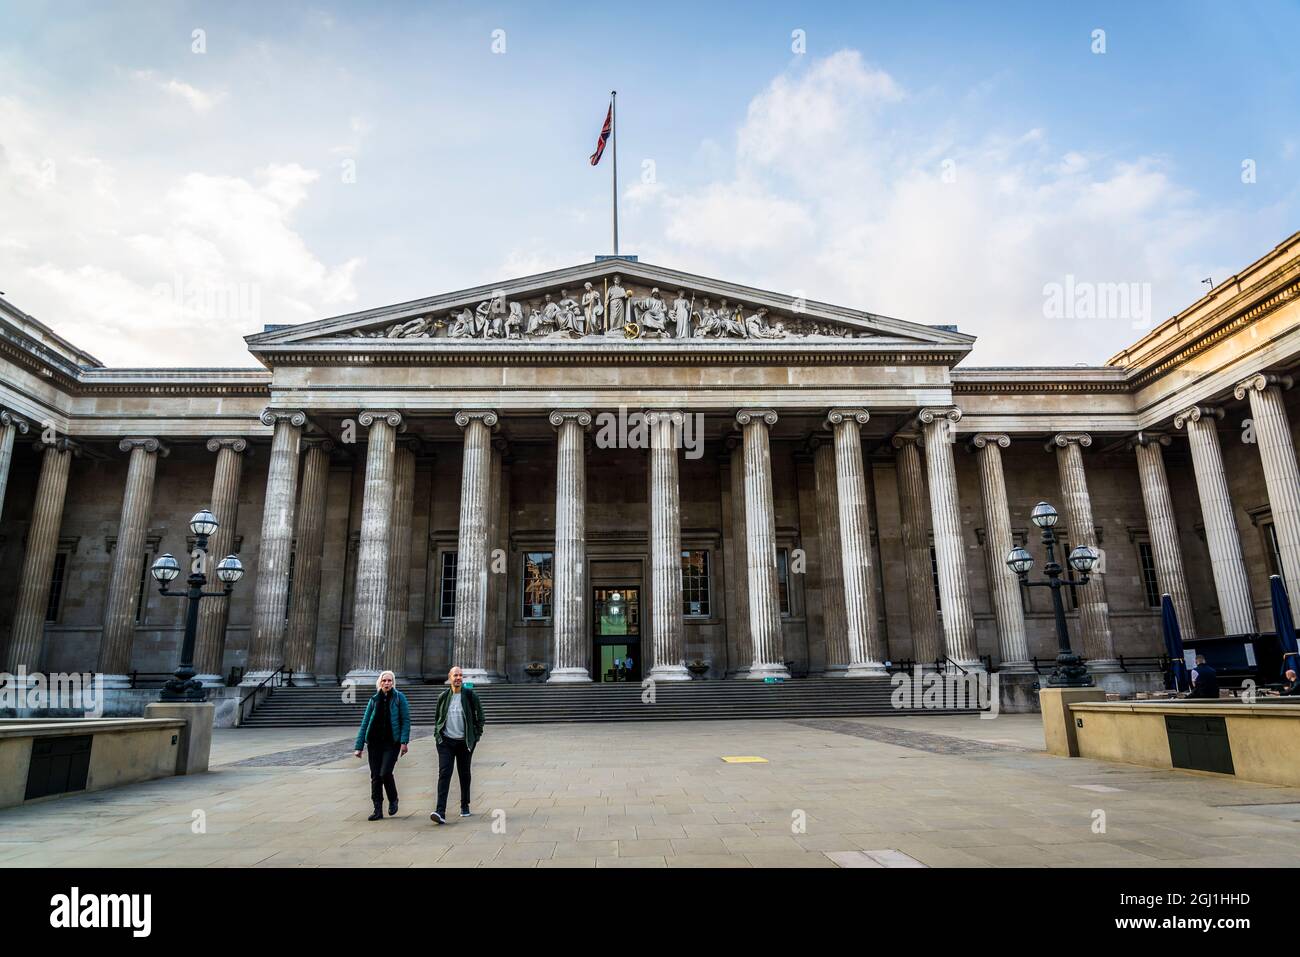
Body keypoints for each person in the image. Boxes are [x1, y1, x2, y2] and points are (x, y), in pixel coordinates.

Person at [352, 671, 411, 821]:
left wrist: (404, 742)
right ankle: (377, 809)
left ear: (393, 683)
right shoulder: (374, 700)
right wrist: (359, 746)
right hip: (374, 743)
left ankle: (393, 799)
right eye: (384, 680)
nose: (387, 683)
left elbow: (405, 720)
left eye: (389, 681)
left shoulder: (399, 698)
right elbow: (365, 723)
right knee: (375, 777)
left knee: (385, 773)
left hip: (392, 743)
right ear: (380, 682)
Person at [430, 666, 485, 825]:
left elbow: (480, 717)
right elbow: (437, 719)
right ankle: (440, 811)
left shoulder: (470, 695)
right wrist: (438, 736)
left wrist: (475, 736)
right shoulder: (443, 697)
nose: (458, 678)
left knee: (464, 773)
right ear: (450, 677)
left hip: (464, 741)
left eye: (461, 675)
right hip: (446, 741)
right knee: (444, 774)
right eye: (455, 675)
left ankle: (464, 805)